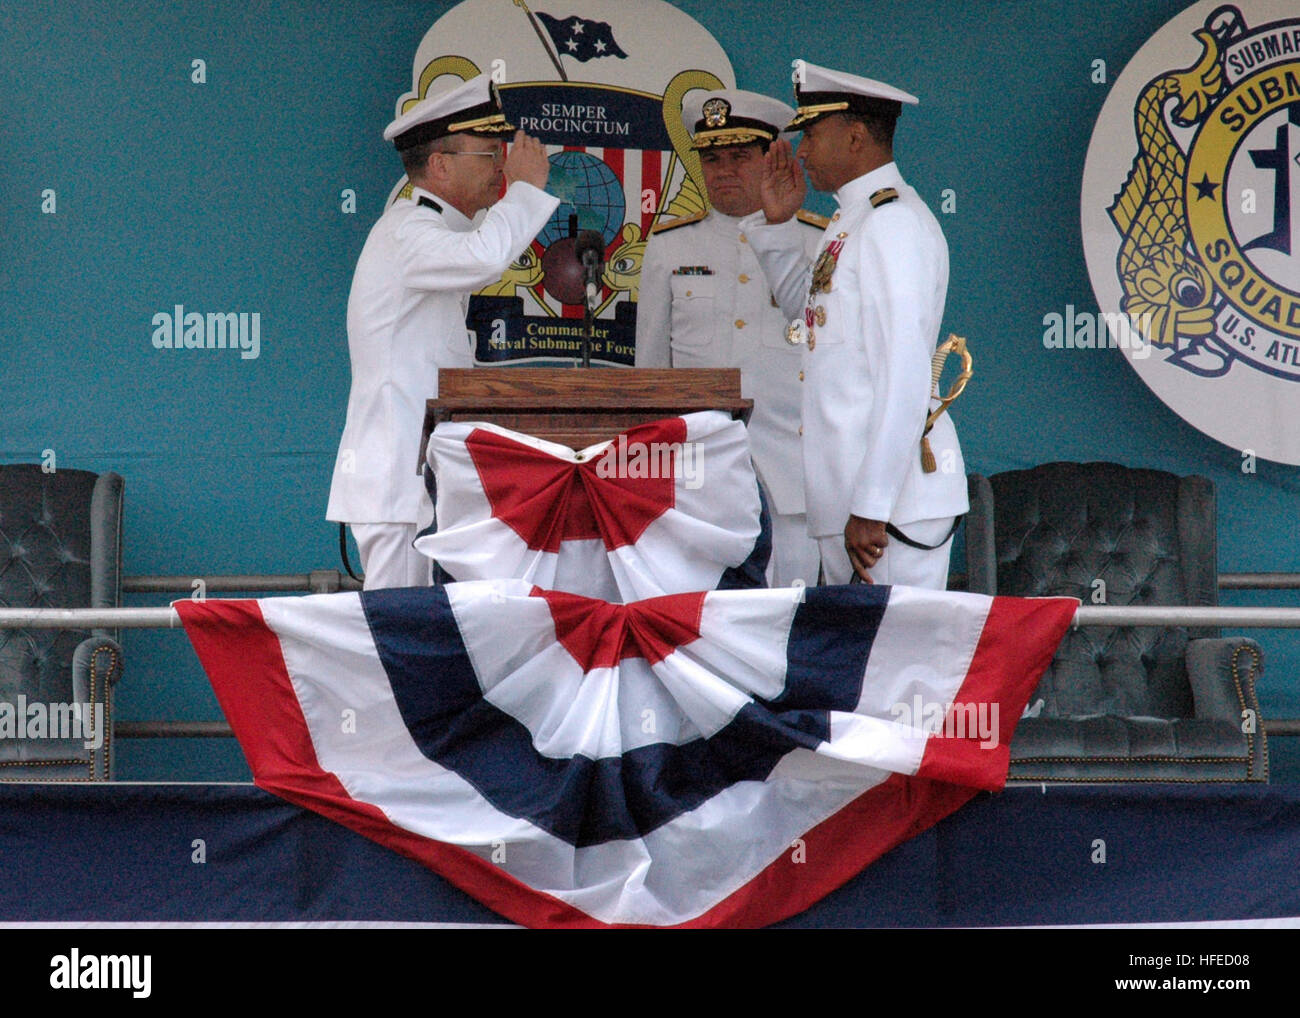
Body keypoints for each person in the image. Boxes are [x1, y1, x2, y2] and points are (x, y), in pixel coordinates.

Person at [326, 75, 559, 589]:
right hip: (399, 484)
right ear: (439, 165)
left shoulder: (431, 233)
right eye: (488, 154)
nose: (500, 164)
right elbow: (484, 258)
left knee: (416, 641)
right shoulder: (407, 231)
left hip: (418, 480)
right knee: (399, 641)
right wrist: (524, 190)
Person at [743, 61, 967, 588]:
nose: (800, 151)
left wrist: (871, 504)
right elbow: (814, 320)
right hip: (855, 499)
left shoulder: (892, 224)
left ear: (857, 135)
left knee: (894, 664)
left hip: (891, 506)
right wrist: (779, 225)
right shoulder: (853, 218)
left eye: (813, 134)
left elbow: (905, 375)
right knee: (862, 662)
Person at [636, 89, 823, 587]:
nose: (723, 170)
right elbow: (650, 374)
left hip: (789, 473)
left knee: (787, 620)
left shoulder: (816, 242)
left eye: (740, 156)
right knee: (694, 616)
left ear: (774, 157)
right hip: (697, 474)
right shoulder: (670, 245)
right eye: (712, 158)